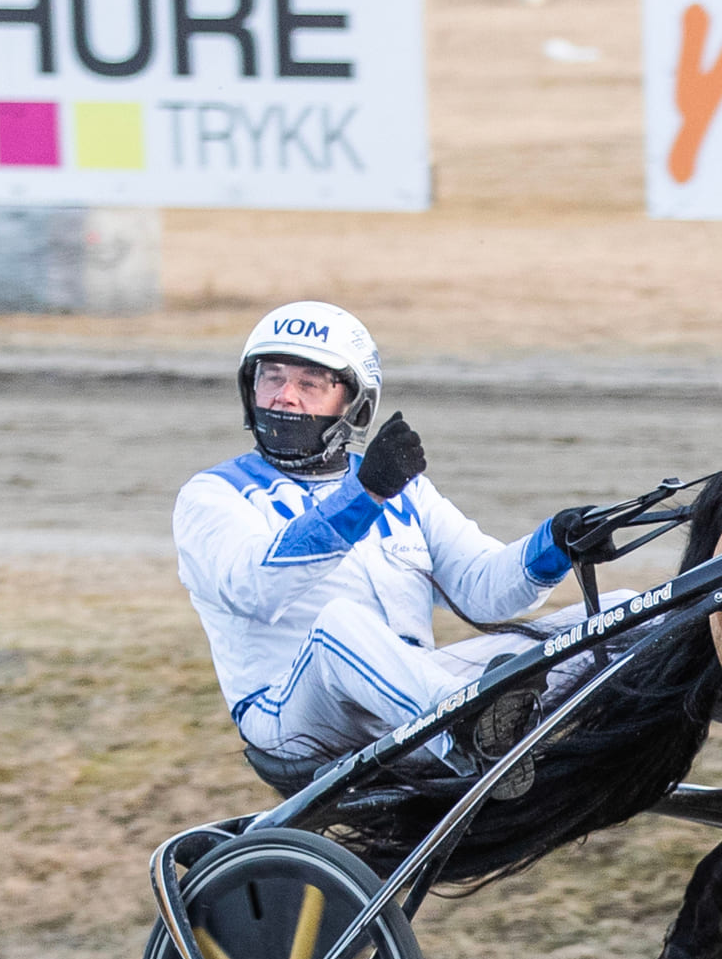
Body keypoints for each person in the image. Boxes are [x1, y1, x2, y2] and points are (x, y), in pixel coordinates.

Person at [174, 300, 602, 769]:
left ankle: (621, 746)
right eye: (272, 377)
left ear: (355, 407)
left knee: (621, 617)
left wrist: (557, 544)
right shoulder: (213, 495)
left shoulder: (403, 491)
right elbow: (254, 589)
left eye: (310, 383)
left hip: (412, 694)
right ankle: (471, 734)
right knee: (342, 623)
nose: (285, 397)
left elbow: (484, 591)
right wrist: (364, 496)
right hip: (293, 716)